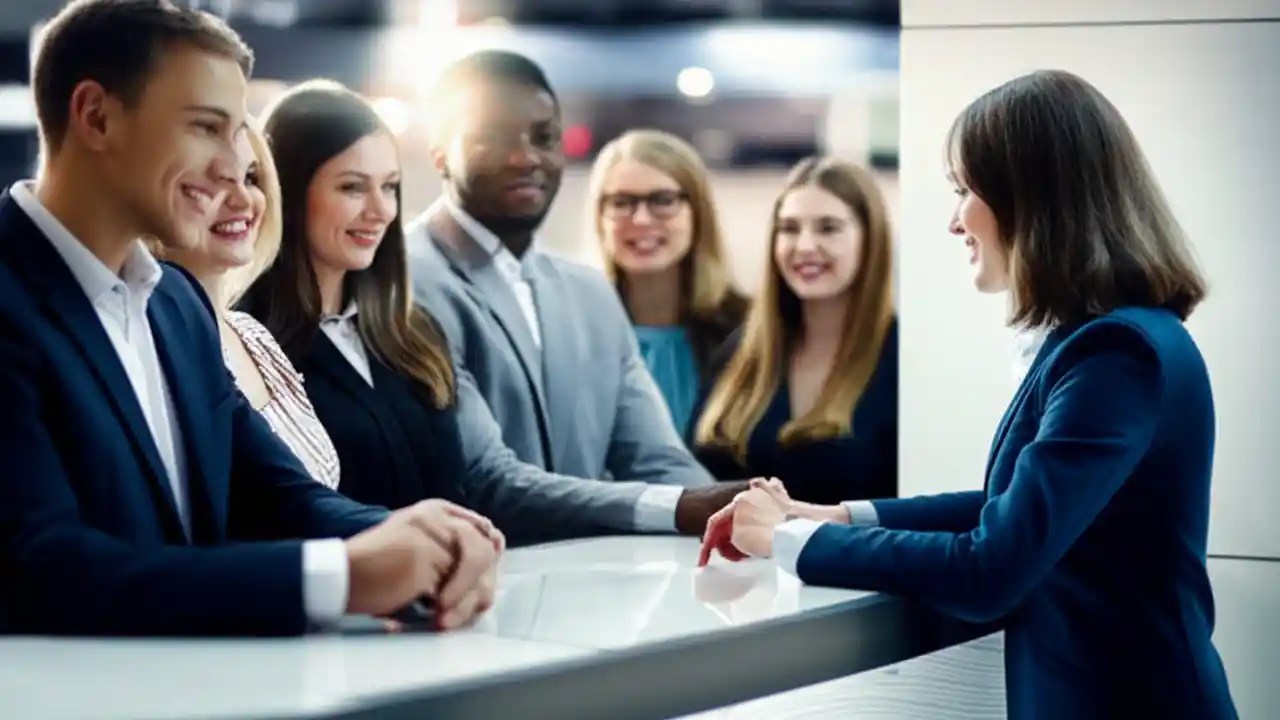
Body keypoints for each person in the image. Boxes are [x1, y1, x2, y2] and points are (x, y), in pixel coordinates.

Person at [700, 70, 1237, 719]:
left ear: (1031, 196)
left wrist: (786, 539)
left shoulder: (1114, 355)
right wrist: (833, 517)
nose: (955, 221)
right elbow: (1006, 507)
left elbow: (991, 569)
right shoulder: (1108, 341)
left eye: (965, 191)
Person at [0, 0, 498, 636]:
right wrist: (342, 576)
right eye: (207, 127)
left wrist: (420, 535)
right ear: (96, 116)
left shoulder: (176, 305)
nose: (234, 165)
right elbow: (41, 569)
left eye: (238, 131)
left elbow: (275, 490)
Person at [406, 50, 744, 538]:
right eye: (493, 138)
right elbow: (485, 482)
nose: (525, 158)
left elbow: (659, 461)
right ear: (440, 153)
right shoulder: (404, 280)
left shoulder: (589, 292)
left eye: (544, 138)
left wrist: (741, 522)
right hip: (474, 594)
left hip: (592, 596)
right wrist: (683, 508)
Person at [691, 157, 897, 504]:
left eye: (828, 228)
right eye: (788, 229)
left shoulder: (900, 360)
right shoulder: (741, 351)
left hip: (846, 558)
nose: (804, 246)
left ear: (870, 240)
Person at [160, 119, 340, 488]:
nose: (243, 200)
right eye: (212, 182)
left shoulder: (252, 335)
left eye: (252, 178)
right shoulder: (152, 346)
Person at [588, 129, 748, 440]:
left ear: (698, 213)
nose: (642, 219)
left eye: (663, 200)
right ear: (599, 217)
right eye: (622, 202)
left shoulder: (750, 331)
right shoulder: (572, 329)